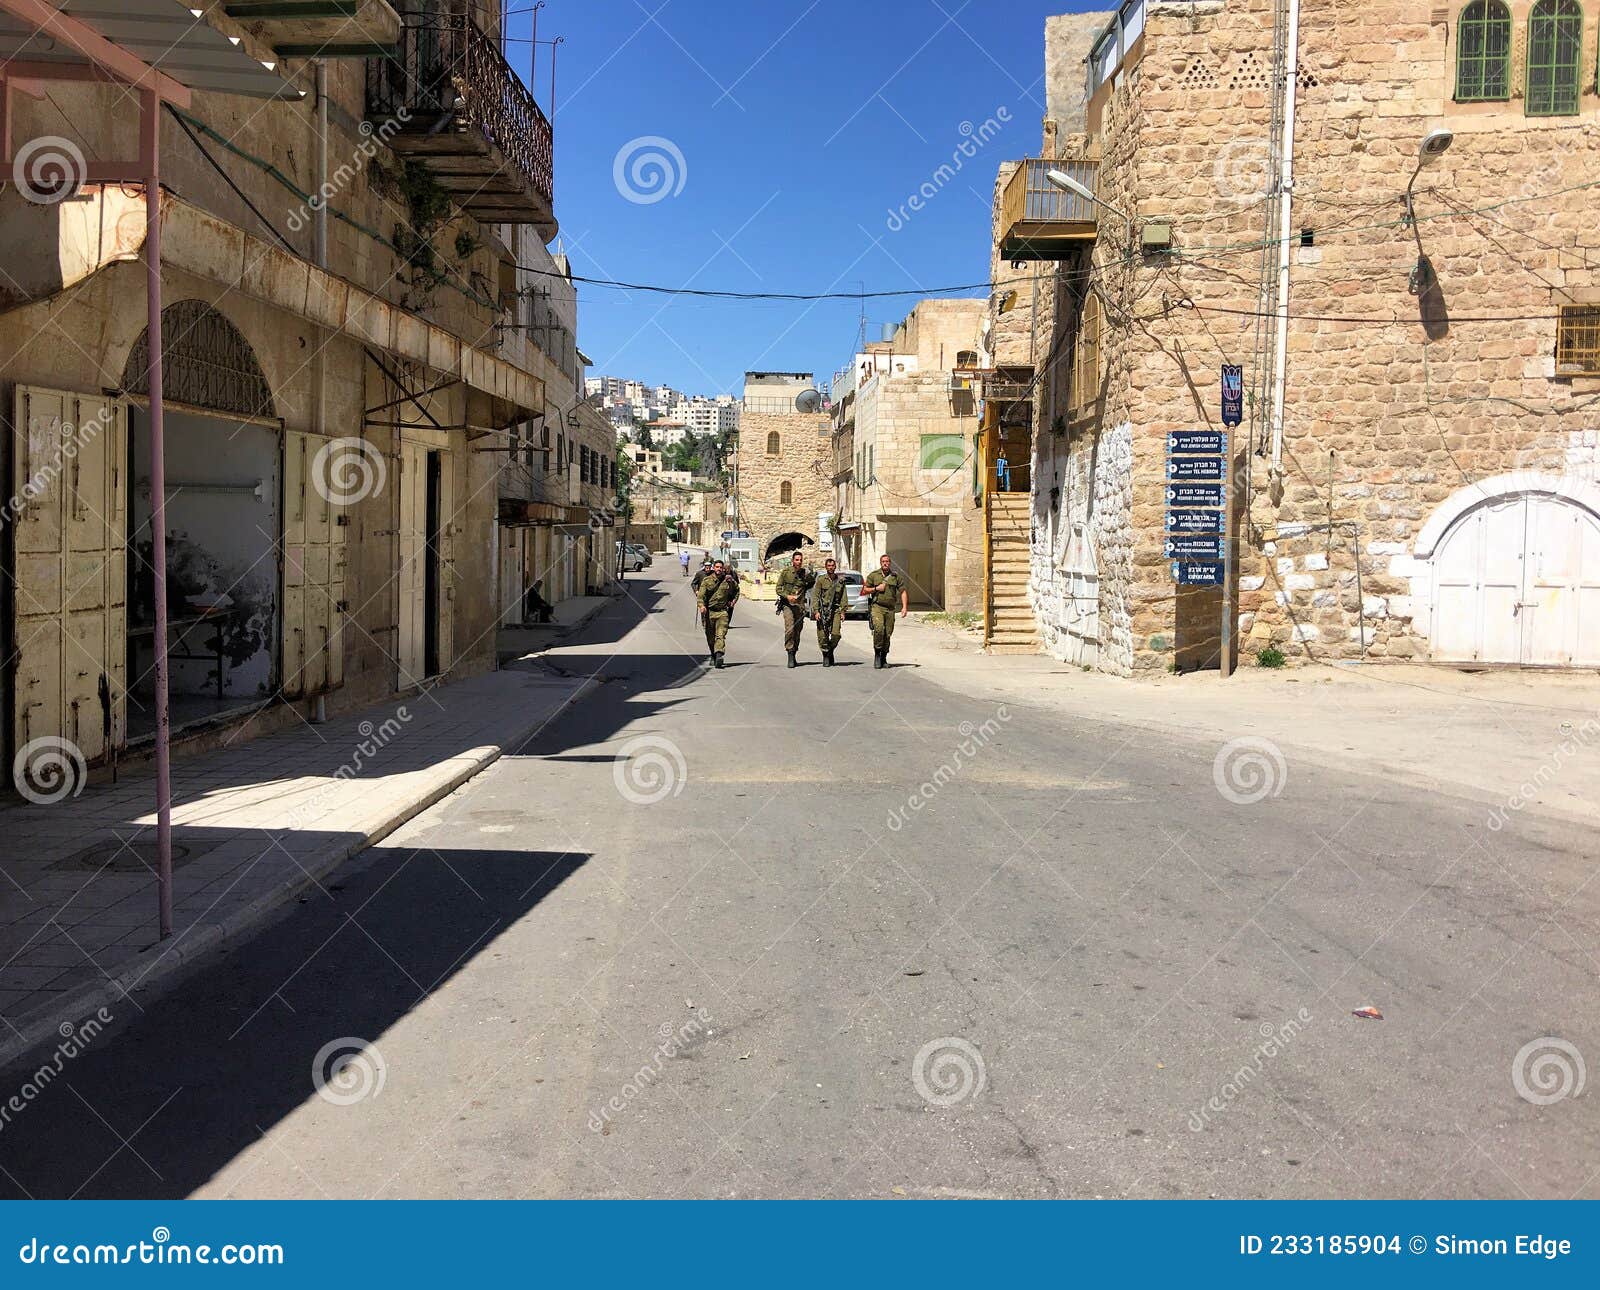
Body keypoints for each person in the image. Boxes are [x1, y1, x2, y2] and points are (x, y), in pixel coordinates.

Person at [862, 553, 908, 669]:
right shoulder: (874, 576)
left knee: (887, 633)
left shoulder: (895, 576)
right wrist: (876, 588)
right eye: (883, 562)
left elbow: (903, 591)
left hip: (890, 609)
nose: (885, 563)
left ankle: (884, 657)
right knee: (878, 629)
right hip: (877, 606)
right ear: (880, 563)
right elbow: (865, 590)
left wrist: (904, 607)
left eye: (887, 561)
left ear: (890, 563)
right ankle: (877, 654)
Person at [773, 549, 814, 668]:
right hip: (788, 606)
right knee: (790, 629)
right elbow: (778, 589)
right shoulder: (786, 572)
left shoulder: (804, 573)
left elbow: (811, 583)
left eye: (801, 560)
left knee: (797, 631)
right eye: (797, 560)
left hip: (800, 606)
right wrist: (788, 596)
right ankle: (790, 653)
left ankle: (794, 651)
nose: (799, 562)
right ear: (792, 561)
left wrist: (809, 574)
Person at [696, 558, 740, 668]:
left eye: (721, 567)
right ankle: (713, 654)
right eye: (717, 567)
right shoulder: (707, 581)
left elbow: (737, 591)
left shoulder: (728, 580)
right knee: (710, 637)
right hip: (709, 613)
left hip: (722, 612)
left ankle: (719, 654)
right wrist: (701, 606)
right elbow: (701, 596)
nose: (719, 569)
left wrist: (733, 601)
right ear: (713, 568)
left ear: (723, 569)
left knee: (720, 635)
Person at [810, 557, 848, 667]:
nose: (831, 568)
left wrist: (843, 611)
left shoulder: (840, 581)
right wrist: (816, 611)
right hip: (823, 610)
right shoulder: (821, 580)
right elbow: (816, 596)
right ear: (826, 567)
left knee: (836, 634)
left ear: (835, 567)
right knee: (823, 635)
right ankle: (826, 654)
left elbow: (843, 597)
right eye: (829, 566)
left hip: (835, 610)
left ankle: (830, 650)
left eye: (832, 566)